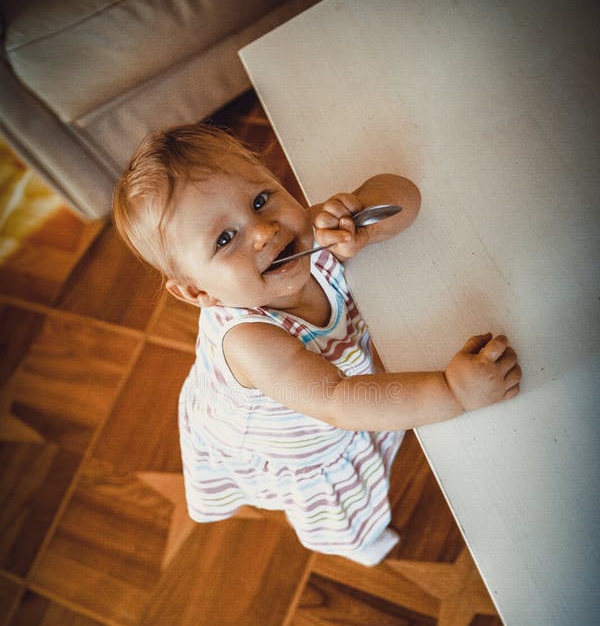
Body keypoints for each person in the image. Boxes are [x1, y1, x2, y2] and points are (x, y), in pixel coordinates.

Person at [113, 123, 521, 566]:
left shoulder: (300, 233)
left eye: (260, 199)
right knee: (345, 510)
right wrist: (454, 392)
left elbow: (405, 198)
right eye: (225, 239)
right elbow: (339, 402)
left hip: (334, 389)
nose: (263, 231)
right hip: (304, 435)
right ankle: (358, 543)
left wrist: (363, 213)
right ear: (200, 294)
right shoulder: (253, 343)